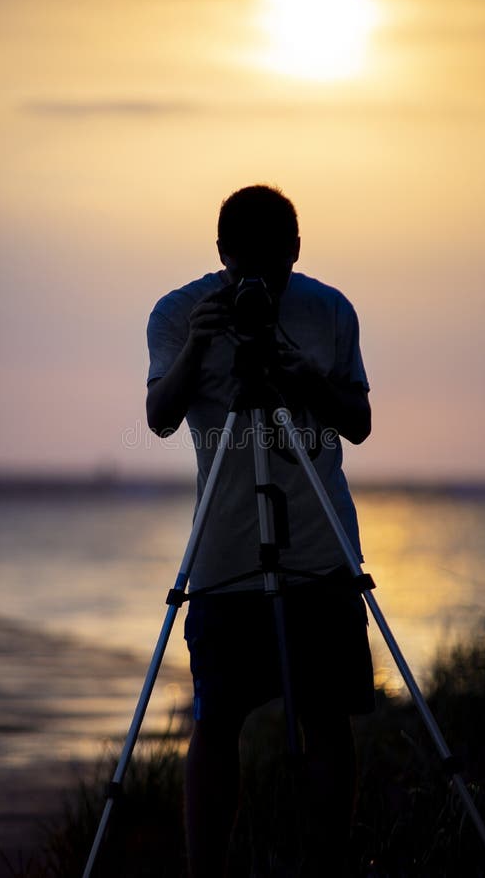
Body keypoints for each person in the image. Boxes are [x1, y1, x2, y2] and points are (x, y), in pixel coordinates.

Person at [146, 185, 374, 877]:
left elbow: (357, 423)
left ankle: (327, 865)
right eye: (245, 271)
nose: (261, 287)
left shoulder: (329, 310)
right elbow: (159, 415)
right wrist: (197, 347)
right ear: (221, 257)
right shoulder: (179, 313)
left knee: (327, 721)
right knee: (215, 721)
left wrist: (303, 376)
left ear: (295, 253)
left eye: (273, 272)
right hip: (224, 551)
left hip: (318, 544)